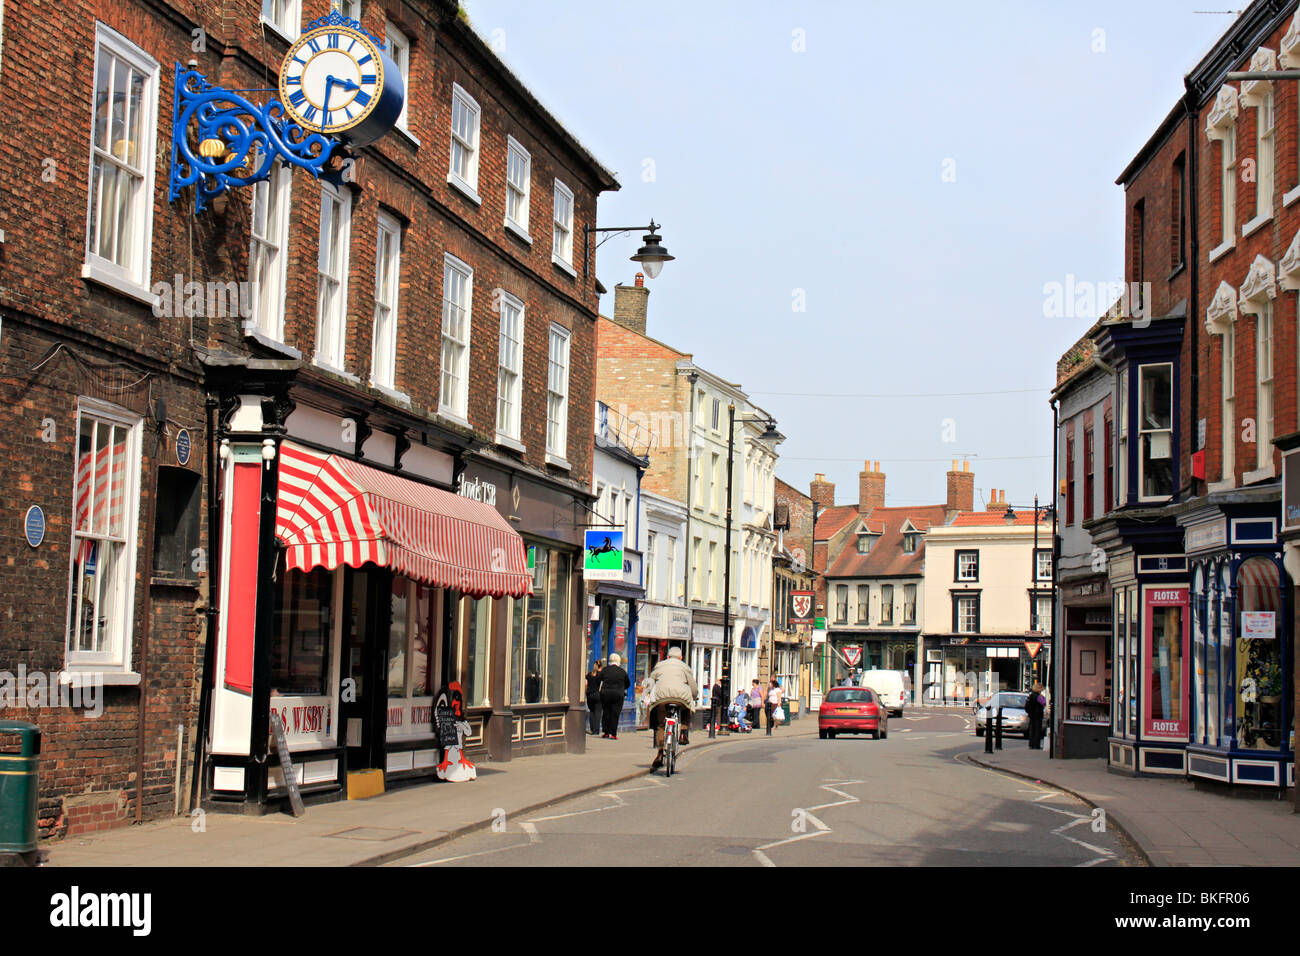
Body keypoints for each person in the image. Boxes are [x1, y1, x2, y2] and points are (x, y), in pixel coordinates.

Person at [646, 647, 699, 770]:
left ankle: (660, 753)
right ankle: (683, 734)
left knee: (660, 724)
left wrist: (648, 693)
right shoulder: (685, 667)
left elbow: (650, 682)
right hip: (681, 697)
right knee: (686, 709)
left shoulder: (659, 665)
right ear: (681, 658)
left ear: (668, 657)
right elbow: (693, 687)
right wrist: (694, 697)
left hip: (662, 698)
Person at [598, 654, 631, 739]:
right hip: (618, 694)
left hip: (605, 693)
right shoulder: (622, 671)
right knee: (615, 713)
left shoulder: (605, 670)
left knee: (606, 712)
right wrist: (622, 688)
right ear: (618, 661)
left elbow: (599, 680)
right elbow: (627, 684)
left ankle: (606, 732)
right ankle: (613, 734)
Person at [1025, 681, 1046, 749]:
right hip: (1038, 715)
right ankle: (1036, 745)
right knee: (1037, 730)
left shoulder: (1031, 695)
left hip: (1031, 715)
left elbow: (1027, 706)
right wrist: (1043, 698)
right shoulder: (1038, 696)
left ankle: (1031, 744)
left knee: (1032, 729)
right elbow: (1044, 703)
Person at [584, 661, 603, 736]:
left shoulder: (589, 674)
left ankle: (592, 729)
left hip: (589, 695)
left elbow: (585, 684)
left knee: (591, 711)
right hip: (597, 694)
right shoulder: (600, 675)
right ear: (600, 667)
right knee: (598, 712)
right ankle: (596, 730)